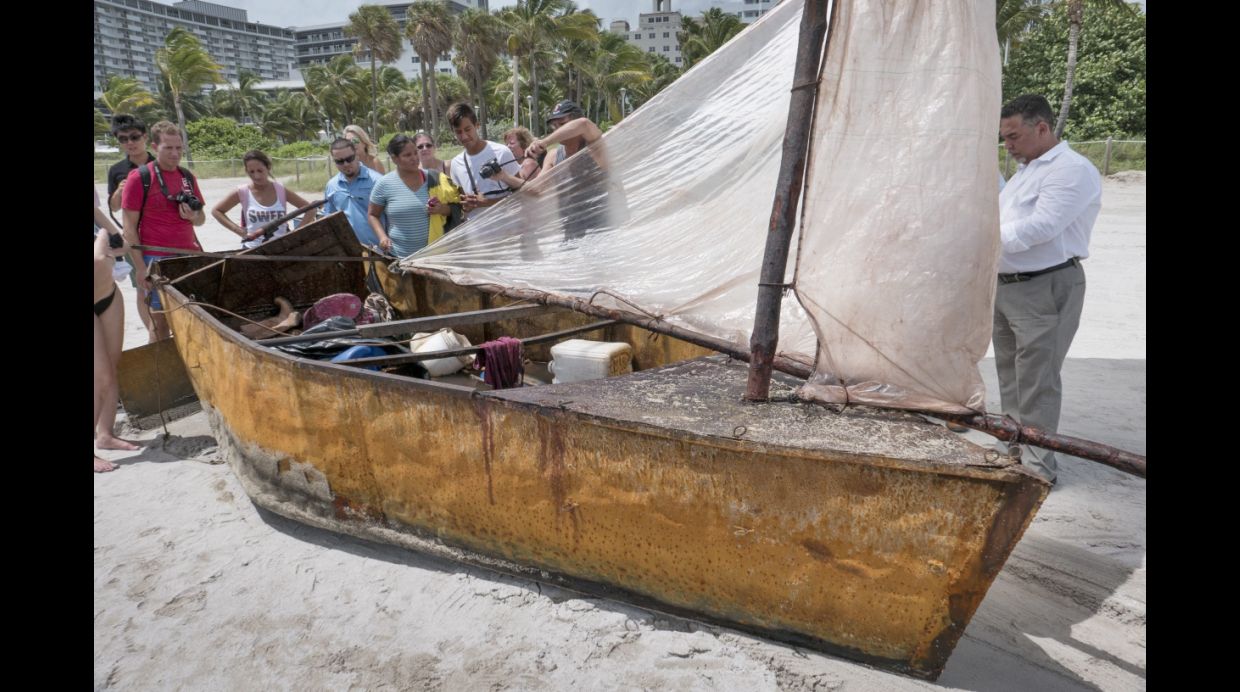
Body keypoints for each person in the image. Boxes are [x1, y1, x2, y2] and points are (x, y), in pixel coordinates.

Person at [993, 94, 1102, 485]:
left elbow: (1042, 228)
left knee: (1037, 379)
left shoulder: (1071, 170)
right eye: (1004, 138)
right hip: (1009, 286)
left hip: (1046, 285)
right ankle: (1015, 448)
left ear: (1042, 127)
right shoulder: (1027, 170)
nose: (1008, 146)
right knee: (1010, 374)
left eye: (1014, 136)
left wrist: (981, 236)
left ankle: (1038, 469)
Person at [121, 120, 206, 343]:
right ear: (155, 146)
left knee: (193, 318)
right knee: (159, 323)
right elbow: (129, 227)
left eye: (179, 148)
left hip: (188, 256)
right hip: (156, 259)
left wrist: (193, 216)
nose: (175, 153)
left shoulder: (187, 177)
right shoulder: (140, 178)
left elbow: (202, 219)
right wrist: (140, 268)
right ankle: (159, 375)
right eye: (168, 148)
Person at [95, 191, 140, 472]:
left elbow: (123, 243)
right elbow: (99, 262)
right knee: (101, 377)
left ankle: (106, 434)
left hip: (108, 296)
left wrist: (109, 237)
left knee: (112, 365)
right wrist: (103, 241)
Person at [526, 100, 612, 240]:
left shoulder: (594, 148)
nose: (557, 129)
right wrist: (503, 177)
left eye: (562, 124)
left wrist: (544, 142)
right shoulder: (553, 155)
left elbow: (584, 124)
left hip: (602, 229)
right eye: (554, 125)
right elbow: (536, 189)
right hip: (571, 230)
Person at [106, 113, 155, 336]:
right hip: (133, 238)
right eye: (123, 139)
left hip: (161, 234)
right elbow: (113, 207)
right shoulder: (116, 170)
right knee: (142, 288)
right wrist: (119, 190)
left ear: (145, 137)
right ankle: (153, 333)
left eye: (134, 137)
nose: (130, 143)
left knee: (171, 287)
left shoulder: (159, 164)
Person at [211, 150, 318, 249]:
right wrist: (239, 231)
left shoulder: (281, 190)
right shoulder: (242, 192)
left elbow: (311, 209)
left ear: (268, 167)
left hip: (282, 248)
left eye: (260, 170)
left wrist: (295, 234)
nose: (256, 176)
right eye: (251, 172)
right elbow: (216, 211)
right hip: (252, 249)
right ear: (246, 171)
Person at [367, 134, 442, 257]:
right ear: (394, 159)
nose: (414, 158)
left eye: (415, 152)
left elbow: (453, 208)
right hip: (401, 257)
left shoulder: (433, 178)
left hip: (435, 255)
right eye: (407, 155)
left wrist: (442, 209)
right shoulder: (384, 184)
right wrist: (382, 237)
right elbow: (372, 215)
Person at [446, 102, 515, 220]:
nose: (464, 136)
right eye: (458, 132)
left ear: (477, 125)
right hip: (477, 235)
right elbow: (462, 203)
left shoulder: (501, 152)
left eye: (467, 129)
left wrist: (486, 202)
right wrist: (466, 206)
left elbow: (522, 193)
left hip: (508, 231)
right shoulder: (456, 164)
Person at [487, 126, 543, 191]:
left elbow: (538, 190)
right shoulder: (514, 164)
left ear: (524, 144)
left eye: (512, 143)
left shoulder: (528, 164)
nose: (507, 147)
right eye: (506, 144)